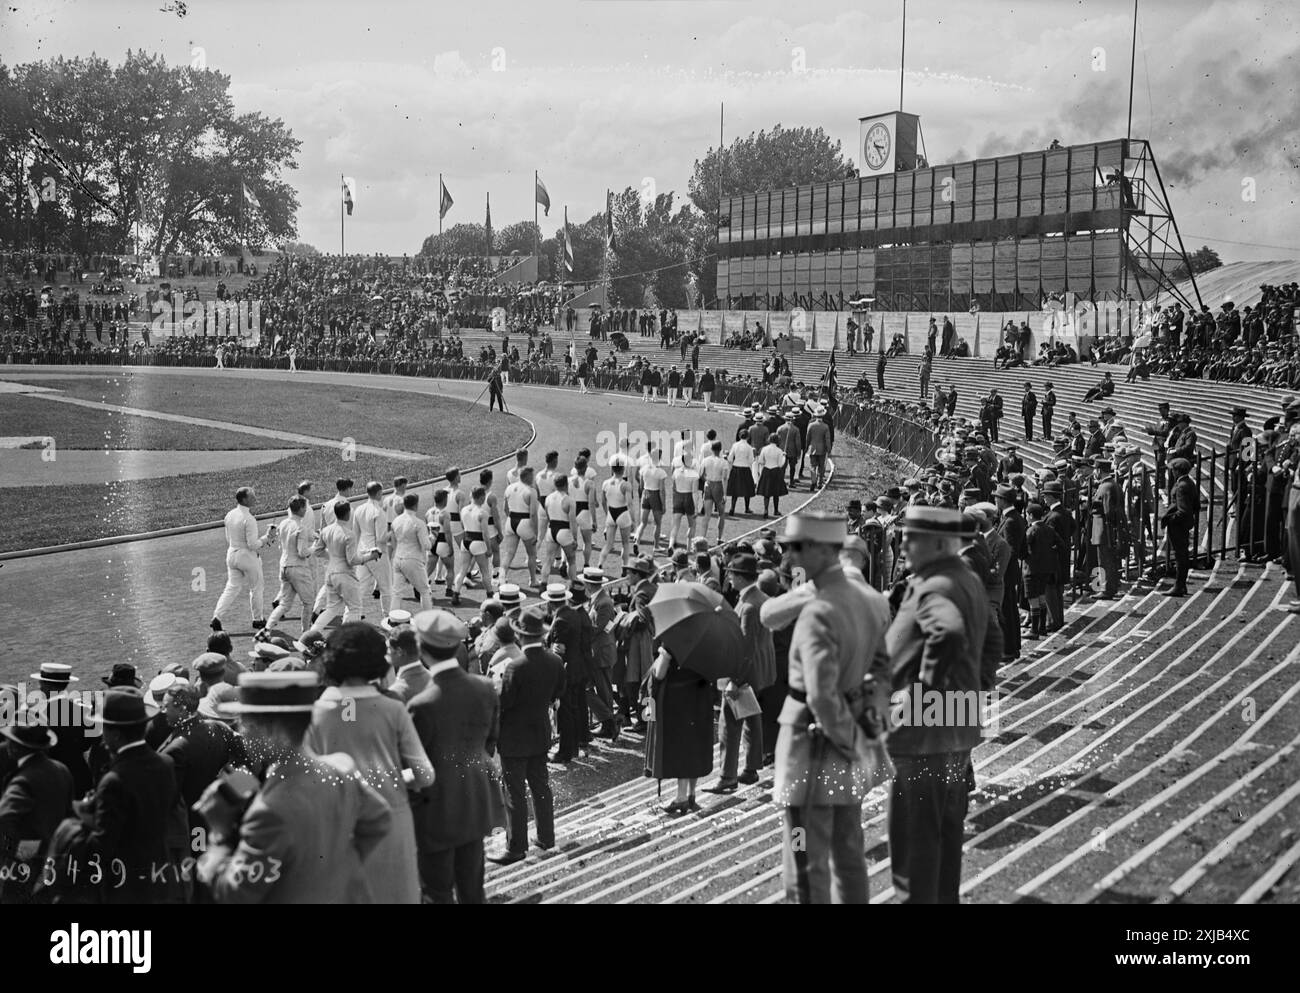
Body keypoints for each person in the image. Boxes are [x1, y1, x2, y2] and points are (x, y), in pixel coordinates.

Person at [773, 512, 892, 903]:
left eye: (797, 547)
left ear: (823, 550)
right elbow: (880, 671)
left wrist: (852, 741)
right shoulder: (873, 600)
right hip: (846, 741)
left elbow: (821, 697)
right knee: (848, 848)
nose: (789, 556)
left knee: (803, 855)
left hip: (812, 750)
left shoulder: (819, 610)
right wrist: (865, 733)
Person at [196, 672, 394, 903]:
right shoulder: (341, 767)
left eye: (245, 724)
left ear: (270, 732)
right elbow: (380, 819)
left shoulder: (268, 813)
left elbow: (234, 894)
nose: (241, 732)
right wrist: (339, 869)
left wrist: (218, 834)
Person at [885, 506, 991, 904]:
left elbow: (945, 635)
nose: (905, 546)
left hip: (925, 732)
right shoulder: (966, 580)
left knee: (916, 830)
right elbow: (991, 643)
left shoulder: (937, 584)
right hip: (957, 722)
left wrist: (918, 702)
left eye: (914, 539)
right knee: (945, 827)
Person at [307, 623, 435, 904]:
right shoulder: (393, 709)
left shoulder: (316, 714)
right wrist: (390, 778)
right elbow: (425, 775)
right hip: (392, 821)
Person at [407, 609, 503, 904]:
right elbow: (490, 743)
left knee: (436, 891)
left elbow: (416, 766)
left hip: (435, 808)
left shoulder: (421, 704)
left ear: (422, 648)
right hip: (475, 799)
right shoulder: (485, 688)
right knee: (472, 886)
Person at [82, 688, 179, 903]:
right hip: (161, 874)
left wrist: (81, 823)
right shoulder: (166, 763)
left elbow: (102, 845)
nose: (102, 735)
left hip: (127, 885)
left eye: (104, 728)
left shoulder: (114, 780)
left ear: (115, 734)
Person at [490, 607, 565, 865]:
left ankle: (516, 846)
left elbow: (505, 704)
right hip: (540, 732)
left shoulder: (515, 667)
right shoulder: (554, 661)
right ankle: (546, 836)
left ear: (520, 636)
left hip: (514, 737)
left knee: (514, 792)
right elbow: (558, 692)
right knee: (540, 785)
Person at [706, 553, 775, 794]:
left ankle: (727, 776)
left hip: (743, 674)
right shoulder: (761, 598)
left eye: (732, 575)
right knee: (752, 719)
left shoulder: (747, 606)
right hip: (760, 672)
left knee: (729, 725)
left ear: (740, 577)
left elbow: (746, 648)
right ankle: (751, 767)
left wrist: (735, 681)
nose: (729, 579)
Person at [0, 702, 74, 905]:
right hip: (54, 856)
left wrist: (15, 849)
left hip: (23, 860)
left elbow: (5, 817)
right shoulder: (61, 769)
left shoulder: (24, 779)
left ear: (15, 746)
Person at [305, 500, 380, 635]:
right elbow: (352, 560)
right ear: (348, 514)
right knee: (355, 608)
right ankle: (346, 639)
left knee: (331, 608)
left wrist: (334, 557)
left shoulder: (326, 530)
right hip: (345, 575)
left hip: (330, 573)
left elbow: (317, 551)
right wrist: (371, 556)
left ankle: (310, 635)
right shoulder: (349, 534)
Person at [212, 486, 276, 633]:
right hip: (247, 556)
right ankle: (258, 619)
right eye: (252, 496)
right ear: (244, 499)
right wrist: (268, 537)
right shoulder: (249, 519)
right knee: (256, 587)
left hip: (231, 554)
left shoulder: (229, 515)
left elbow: (228, 538)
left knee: (231, 588)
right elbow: (253, 545)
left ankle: (217, 617)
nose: (255, 498)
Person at [544, 581, 595, 763]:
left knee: (565, 712)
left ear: (550, 603)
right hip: (577, 668)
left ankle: (566, 751)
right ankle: (571, 748)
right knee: (572, 709)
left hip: (567, 671)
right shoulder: (573, 614)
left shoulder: (560, 621)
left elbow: (559, 651)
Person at [265, 495, 317, 634]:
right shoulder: (301, 527)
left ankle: (266, 630)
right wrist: (315, 547)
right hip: (298, 568)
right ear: (300, 509)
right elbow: (302, 552)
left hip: (284, 566)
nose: (306, 509)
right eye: (304, 507)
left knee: (284, 604)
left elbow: (282, 546)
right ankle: (306, 633)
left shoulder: (283, 523)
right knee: (308, 602)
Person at [1163, 458, 1199, 597]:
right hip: (1184, 524)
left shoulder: (1181, 486)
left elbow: (1183, 510)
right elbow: (1196, 506)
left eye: (1173, 469)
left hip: (1178, 526)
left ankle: (1179, 585)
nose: (1171, 472)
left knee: (1180, 555)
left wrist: (1171, 519)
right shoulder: (1189, 482)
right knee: (1181, 554)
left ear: (1177, 471)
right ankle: (1181, 585)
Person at [391, 492, 433, 607]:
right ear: (416, 505)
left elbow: (394, 543)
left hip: (398, 558)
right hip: (413, 559)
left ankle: (393, 619)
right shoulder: (418, 523)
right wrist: (432, 537)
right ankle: (427, 621)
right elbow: (427, 545)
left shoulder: (396, 521)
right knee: (425, 591)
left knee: (396, 593)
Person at [727, 429, 757, 516]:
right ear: (747, 437)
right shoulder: (749, 447)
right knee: (747, 489)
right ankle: (747, 508)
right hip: (745, 468)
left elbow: (730, 458)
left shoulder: (735, 445)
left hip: (736, 467)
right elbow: (751, 460)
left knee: (734, 490)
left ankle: (732, 508)